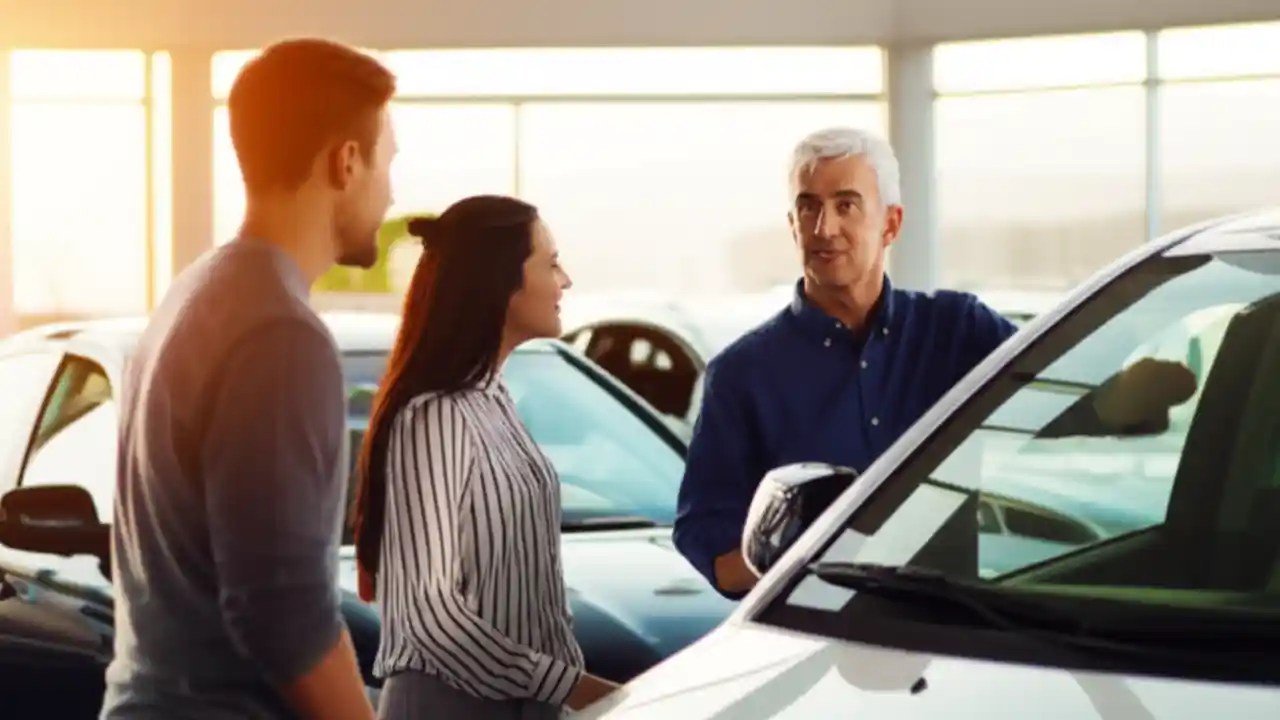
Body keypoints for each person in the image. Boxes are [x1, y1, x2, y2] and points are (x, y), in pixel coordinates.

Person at [674, 126, 1197, 599]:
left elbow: (1061, 404)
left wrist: (1130, 392)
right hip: (809, 638)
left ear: (892, 223)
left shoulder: (958, 331)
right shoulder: (740, 377)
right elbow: (713, 550)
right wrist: (810, 553)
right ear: (791, 224)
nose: (823, 226)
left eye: (846, 205)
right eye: (807, 207)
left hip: (946, 634)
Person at [103, 39, 397, 719]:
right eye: (388, 160)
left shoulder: (199, 291)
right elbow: (281, 614)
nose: (391, 191)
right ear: (345, 162)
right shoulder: (281, 335)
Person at [350, 195, 620, 719]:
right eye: (550, 263)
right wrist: (573, 686)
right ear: (501, 281)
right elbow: (428, 613)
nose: (564, 281)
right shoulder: (434, 418)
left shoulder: (494, 401)